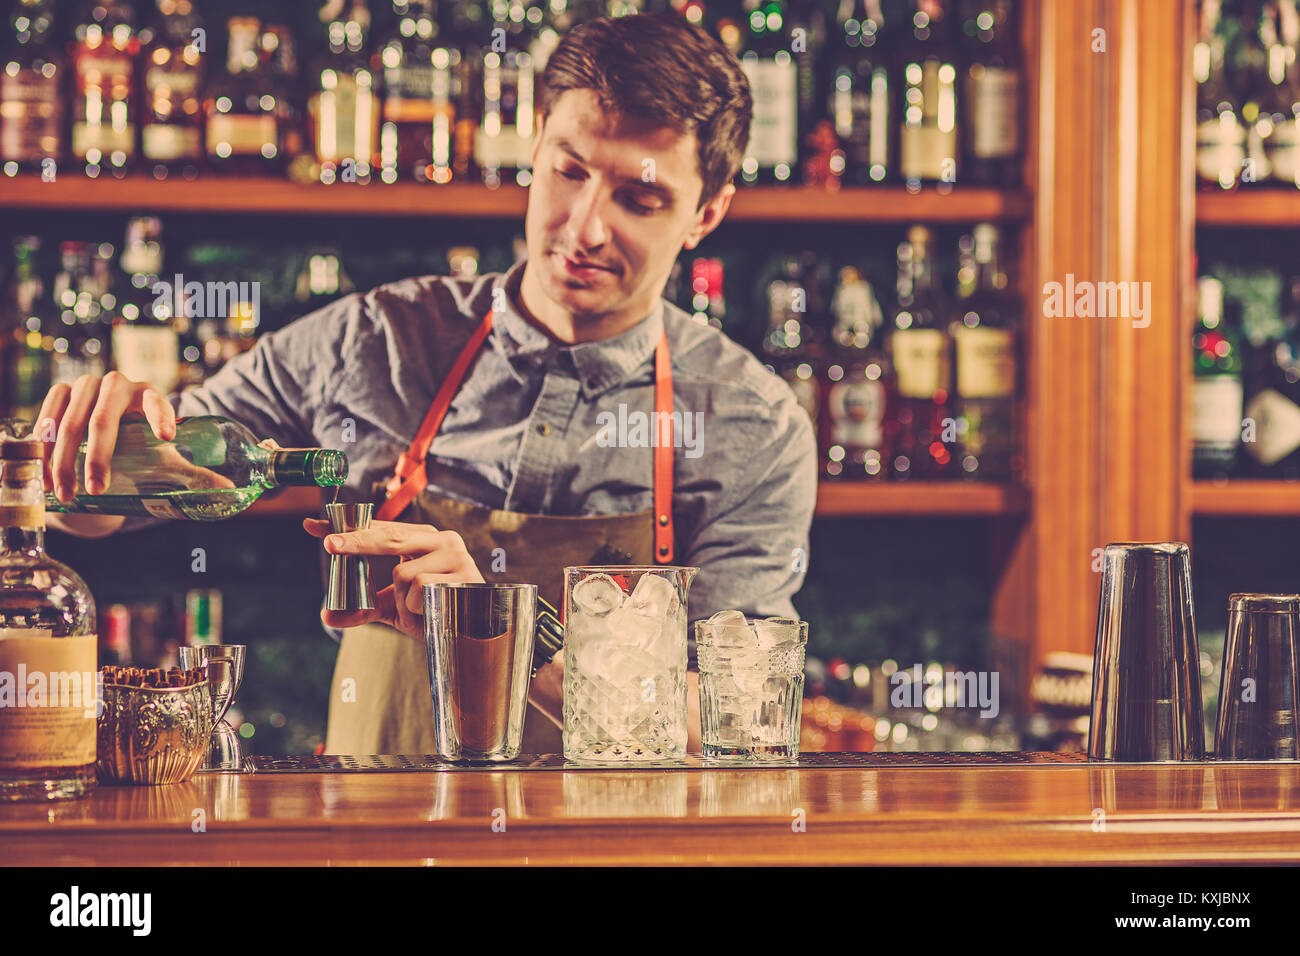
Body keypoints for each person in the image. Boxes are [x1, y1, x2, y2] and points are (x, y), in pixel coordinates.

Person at [39, 12, 817, 755]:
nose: (584, 228)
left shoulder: (751, 424)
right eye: (568, 171)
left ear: (706, 213)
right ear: (534, 146)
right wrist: (92, 449)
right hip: (377, 832)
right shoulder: (371, 340)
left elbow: (733, 721)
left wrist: (492, 624)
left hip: (605, 848)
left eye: (638, 200)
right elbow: (114, 505)